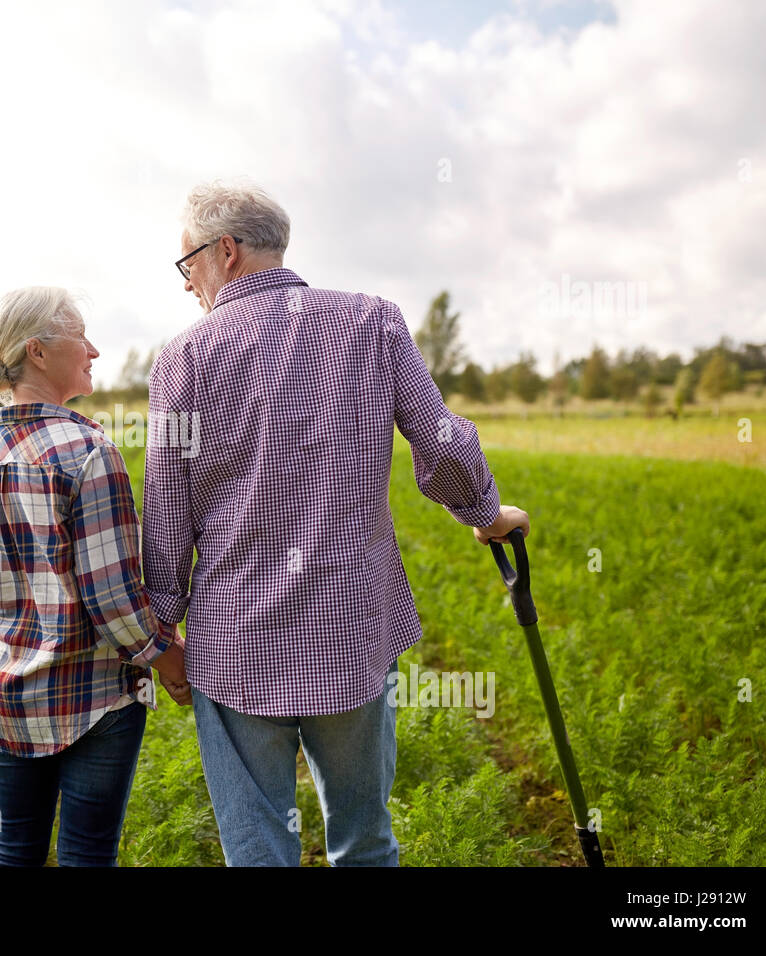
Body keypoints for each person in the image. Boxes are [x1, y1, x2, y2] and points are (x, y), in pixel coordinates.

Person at [141, 180, 530, 866]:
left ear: (226, 252)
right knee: (365, 841)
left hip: (237, 643)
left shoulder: (184, 358)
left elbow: (167, 506)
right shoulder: (370, 321)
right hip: (350, 629)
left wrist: (160, 626)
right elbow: (439, 440)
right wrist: (485, 514)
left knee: (258, 849)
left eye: (187, 263)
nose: (185, 283)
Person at [0, 285, 189, 867]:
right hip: (93, 701)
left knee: (13, 850)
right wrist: (167, 658)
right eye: (80, 337)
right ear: (37, 351)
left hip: (2, 695)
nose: (95, 350)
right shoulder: (88, 452)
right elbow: (112, 600)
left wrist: (21, 629)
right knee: (86, 855)